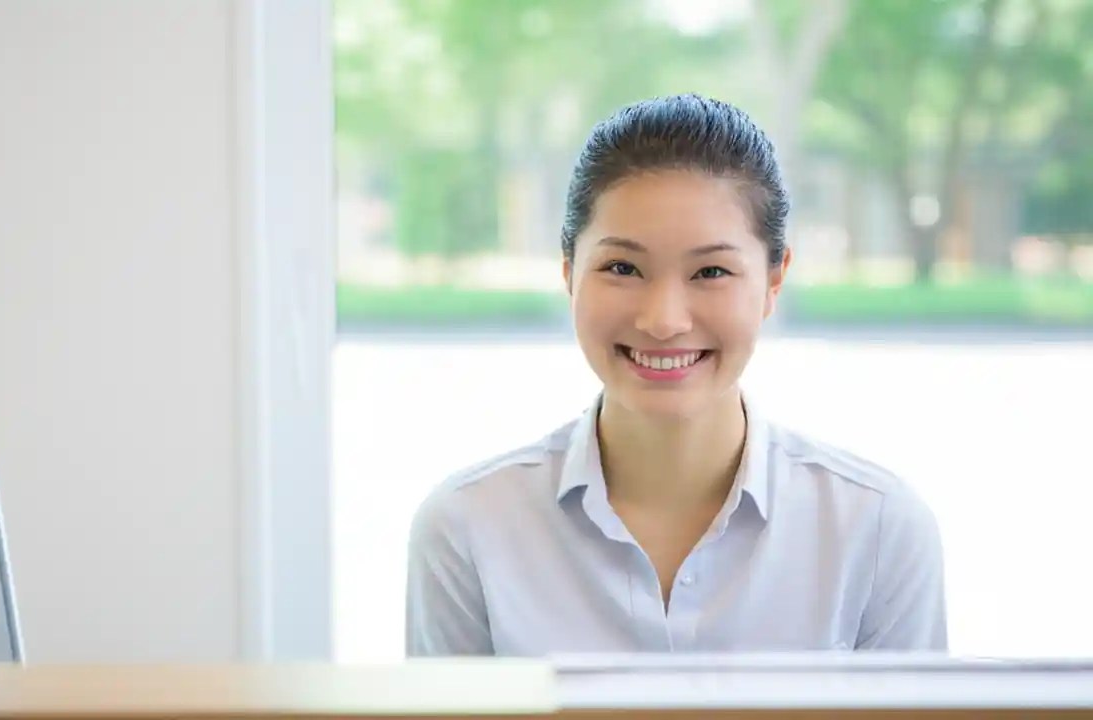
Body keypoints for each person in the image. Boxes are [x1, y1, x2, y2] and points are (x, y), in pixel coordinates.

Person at [404, 94, 947, 657]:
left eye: (711, 270)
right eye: (622, 268)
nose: (663, 320)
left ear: (774, 280)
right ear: (569, 273)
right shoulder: (467, 528)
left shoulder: (878, 530)